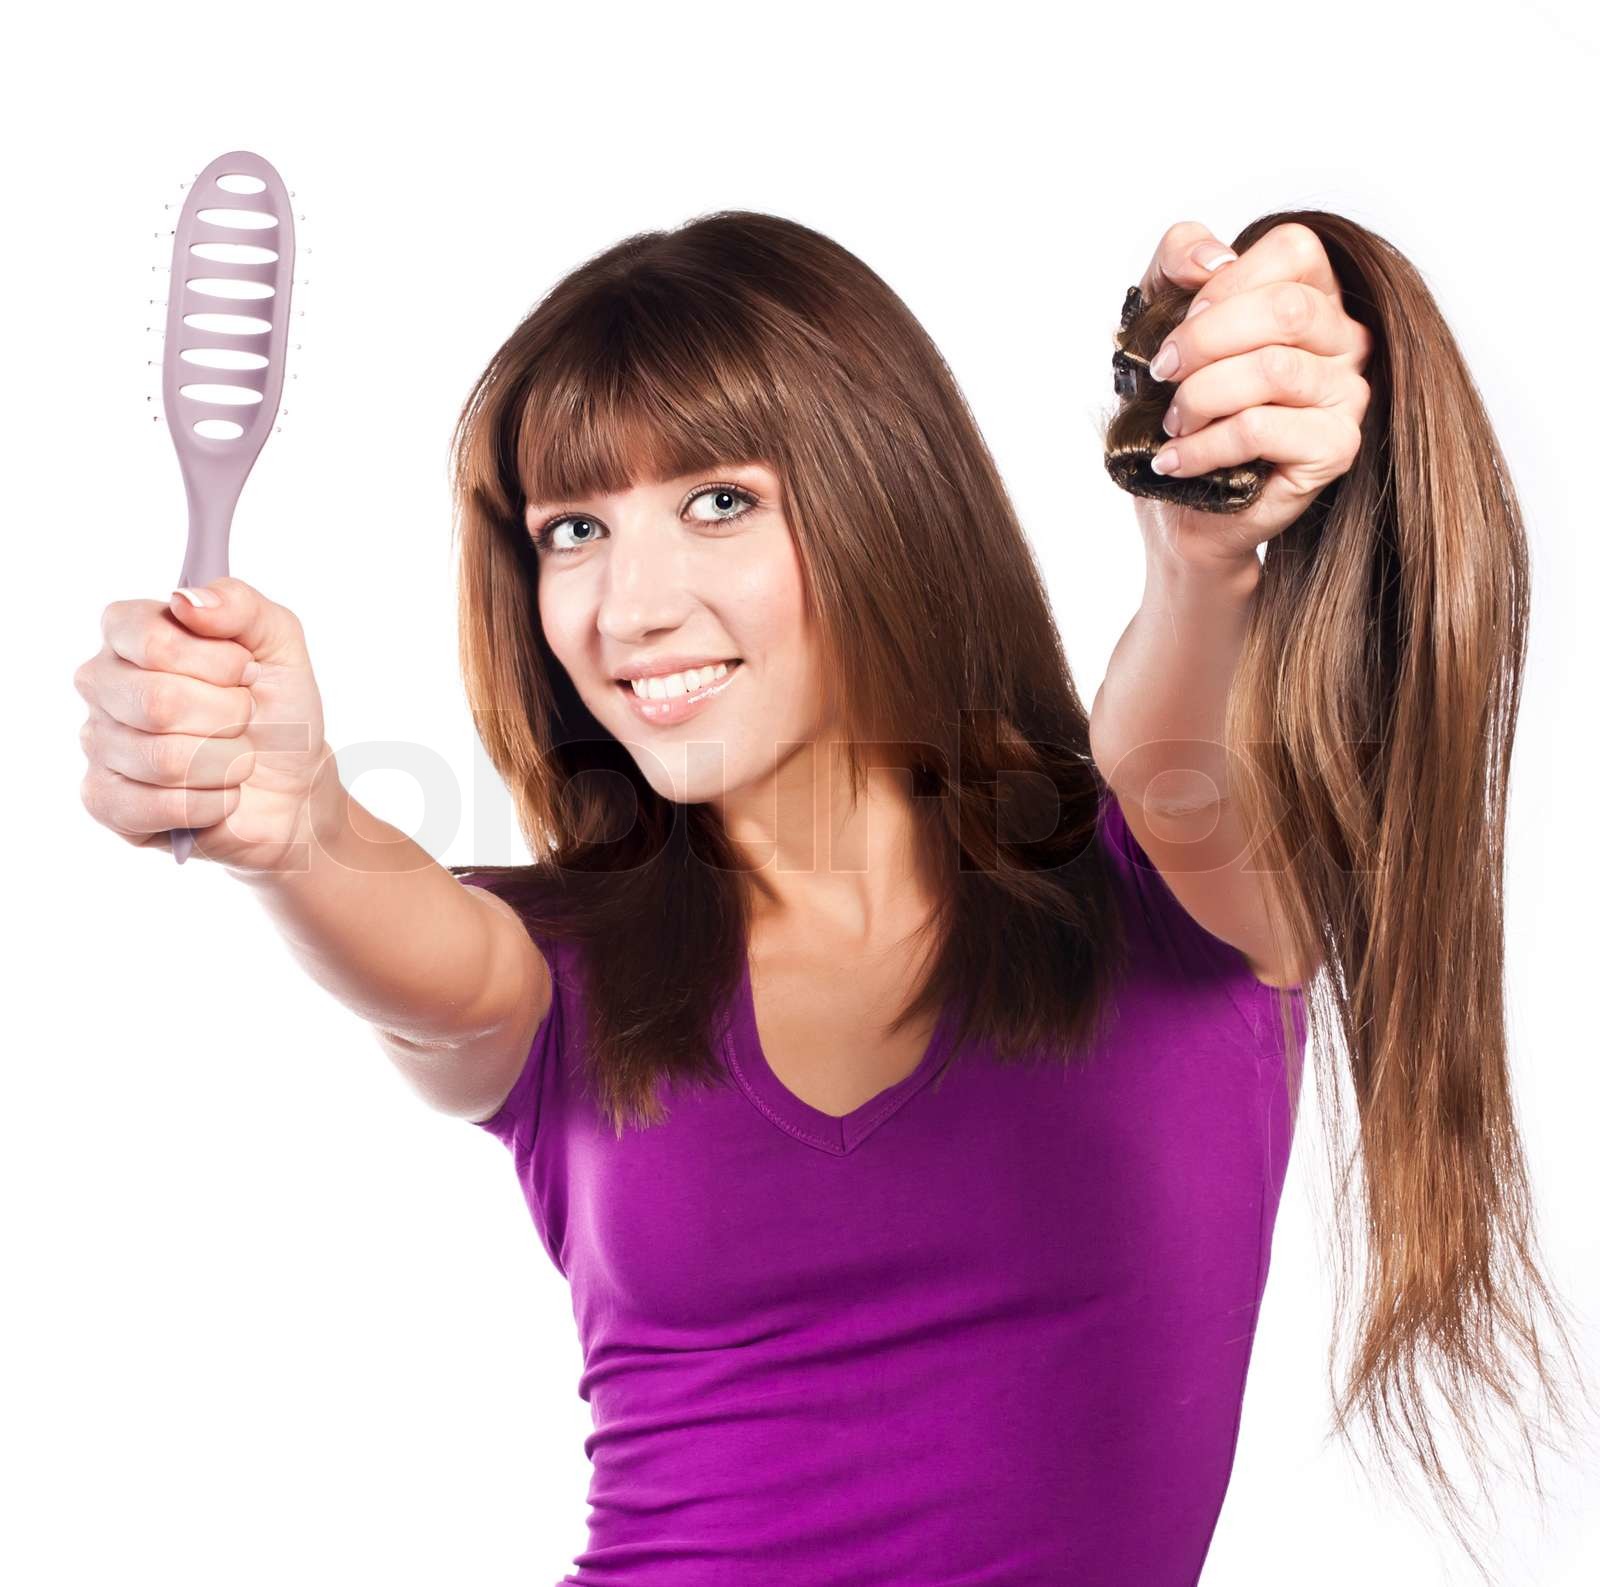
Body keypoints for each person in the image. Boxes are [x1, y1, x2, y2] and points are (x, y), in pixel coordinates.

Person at [74, 212, 1586, 1585]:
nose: (629, 606)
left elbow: (1175, 719)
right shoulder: (561, 979)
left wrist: (1206, 547)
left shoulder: (1166, 889)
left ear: (888, 501)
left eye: (719, 501)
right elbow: (412, 938)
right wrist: (292, 820)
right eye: (573, 530)